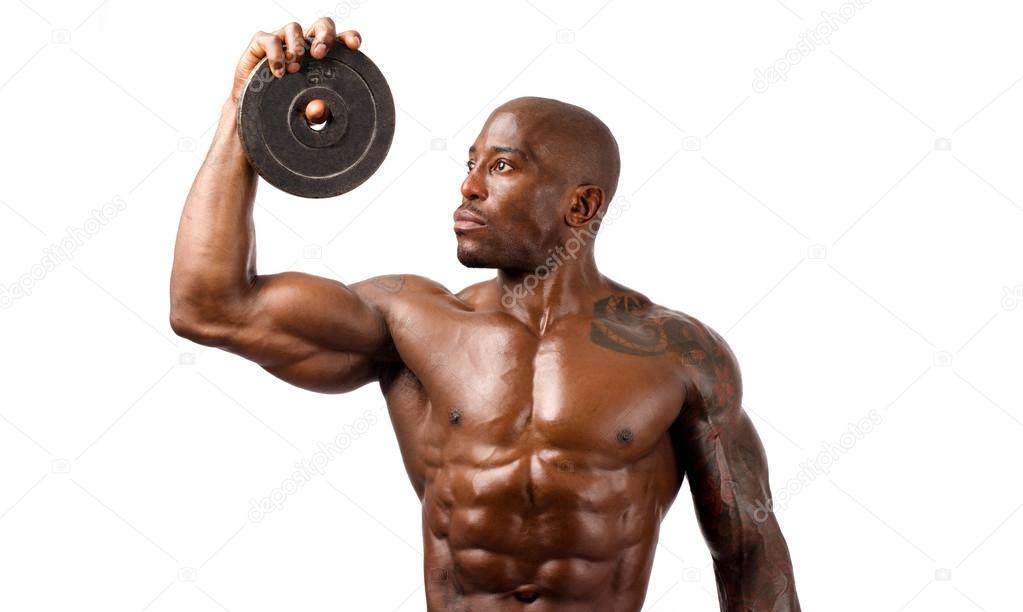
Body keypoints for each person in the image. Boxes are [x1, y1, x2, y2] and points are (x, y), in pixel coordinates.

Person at [169, 17, 801, 611]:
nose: (469, 186)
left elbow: (749, 550)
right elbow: (209, 306)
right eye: (469, 164)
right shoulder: (412, 321)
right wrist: (244, 114)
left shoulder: (676, 352)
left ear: (580, 207)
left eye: (501, 166)